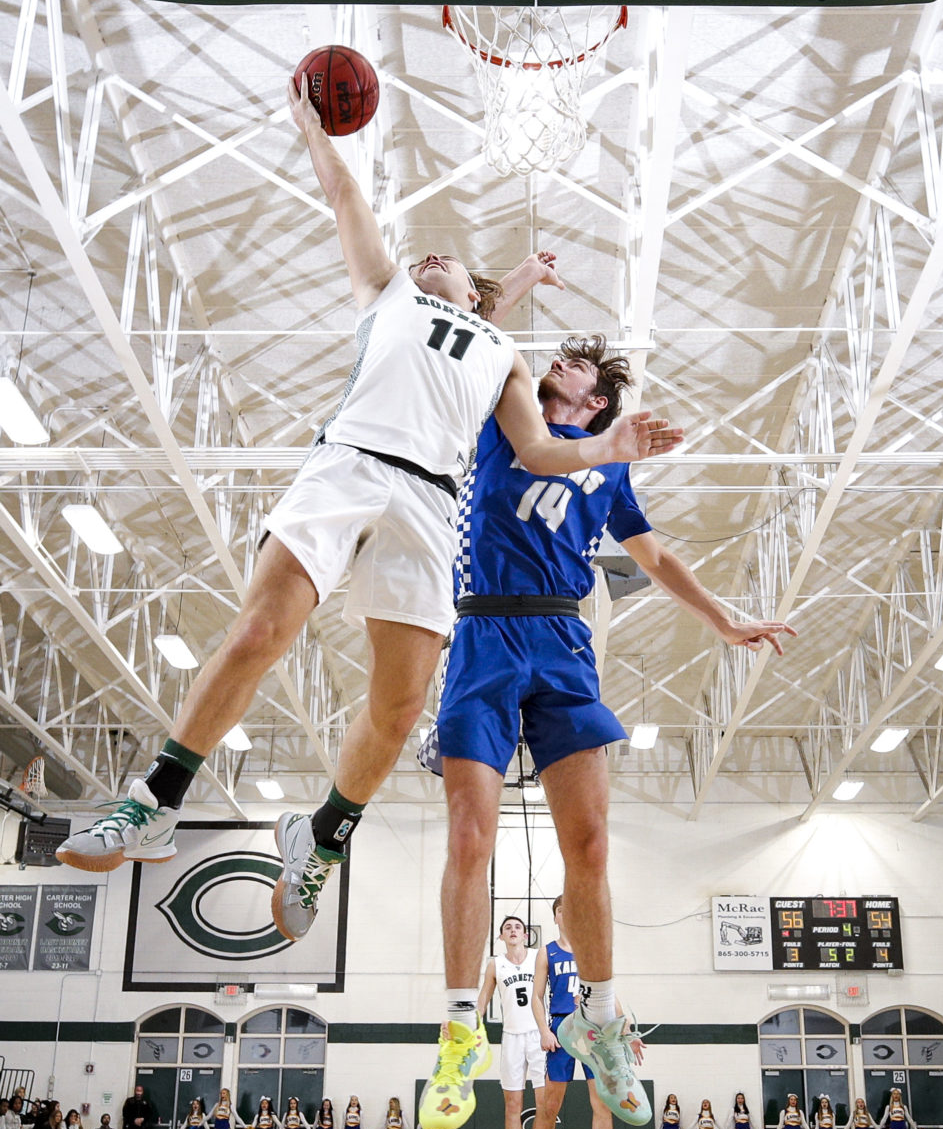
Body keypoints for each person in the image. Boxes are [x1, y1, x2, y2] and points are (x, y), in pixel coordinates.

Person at [56, 85, 675, 902]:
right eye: (425, 258)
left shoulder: (504, 354)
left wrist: (606, 445)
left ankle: (321, 839)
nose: (429, 257)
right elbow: (346, 195)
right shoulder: (389, 293)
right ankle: (155, 802)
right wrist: (314, 132)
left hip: (429, 504)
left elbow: (532, 450)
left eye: (445, 260)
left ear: (477, 292)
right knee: (256, 632)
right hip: (348, 463)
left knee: (398, 706)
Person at [416, 330, 794, 1129]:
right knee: (467, 837)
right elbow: (473, 335)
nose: (558, 361)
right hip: (483, 635)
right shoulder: (502, 419)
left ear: (596, 402)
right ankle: (456, 1030)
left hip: (563, 643)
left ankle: (600, 1016)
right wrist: (508, 285)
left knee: (588, 848)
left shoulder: (611, 463)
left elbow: (654, 556)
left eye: (579, 368)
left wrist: (725, 618)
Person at [518, 895, 640, 1129]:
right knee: (550, 1105)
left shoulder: (593, 952)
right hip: (561, 1031)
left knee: (603, 1104)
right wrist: (544, 1030)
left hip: (593, 1033)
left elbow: (610, 995)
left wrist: (627, 1031)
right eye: (563, 911)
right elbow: (536, 996)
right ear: (556, 917)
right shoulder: (546, 953)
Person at [477, 915, 546, 1129]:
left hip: (541, 1035)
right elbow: (482, 1001)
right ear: (502, 937)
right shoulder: (496, 964)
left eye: (518, 927)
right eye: (508, 928)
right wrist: (468, 1027)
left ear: (526, 935)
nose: (513, 930)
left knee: (545, 1106)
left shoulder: (539, 958)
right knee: (512, 1107)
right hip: (512, 1037)